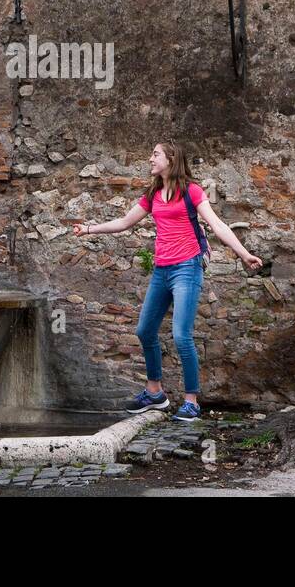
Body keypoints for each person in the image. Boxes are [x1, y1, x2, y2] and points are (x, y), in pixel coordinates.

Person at [73, 141, 261, 421]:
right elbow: (125, 222)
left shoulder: (191, 191)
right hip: (162, 270)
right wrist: (88, 229)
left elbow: (217, 225)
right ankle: (155, 393)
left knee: (182, 335)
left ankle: (191, 401)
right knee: (145, 331)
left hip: (187, 268)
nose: (150, 158)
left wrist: (244, 254)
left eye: (155, 154)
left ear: (171, 160)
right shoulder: (153, 193)